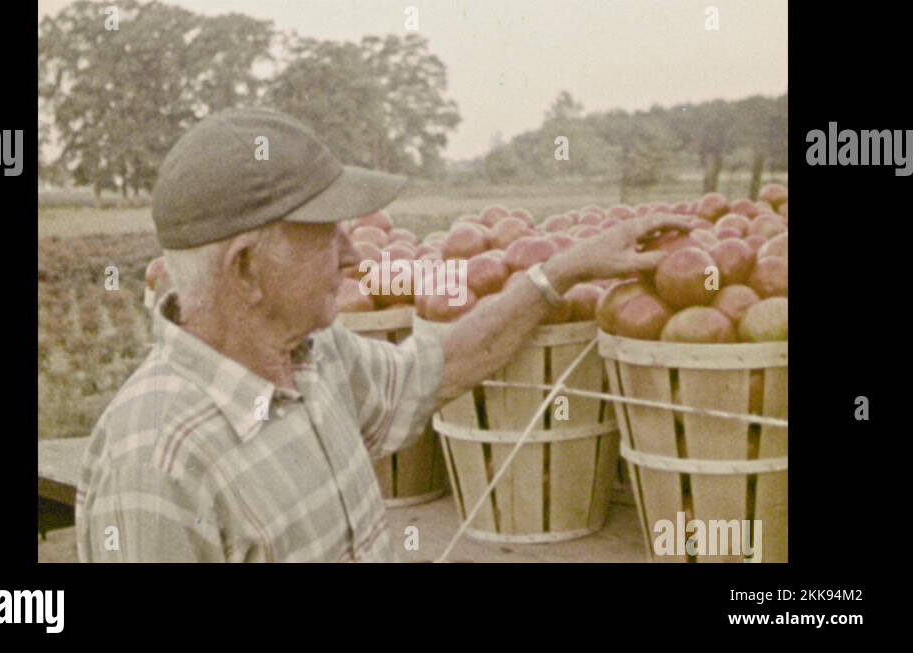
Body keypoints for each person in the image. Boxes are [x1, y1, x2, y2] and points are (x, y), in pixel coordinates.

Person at [75, 107, 688, 562]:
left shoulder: (316, 359)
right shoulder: (157, 466)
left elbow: (439, 367)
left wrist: (560, 271)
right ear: (245, 269)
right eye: (328, 233)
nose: (352, 254)